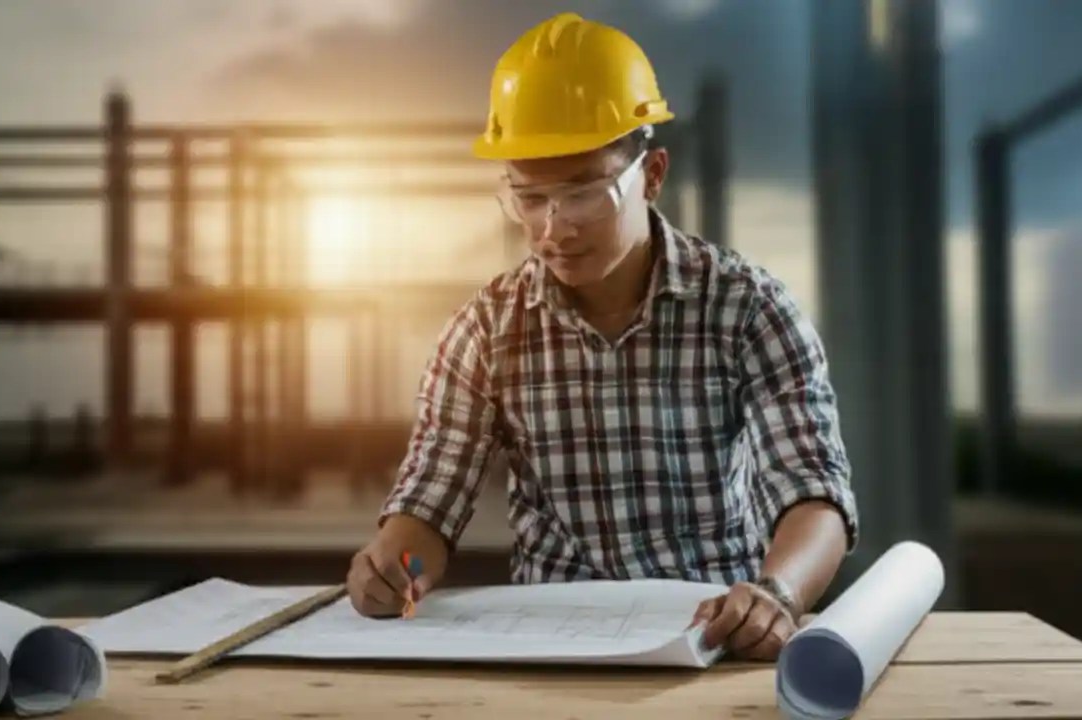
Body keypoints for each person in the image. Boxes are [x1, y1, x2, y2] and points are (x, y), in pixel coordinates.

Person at [345, 12, 858, 662]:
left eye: (584, 195)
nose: (553, 229)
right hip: (545, 650)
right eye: (529, 199)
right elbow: (430, 499)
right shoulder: (485, 333)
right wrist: (397, 569)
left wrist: (776, 593)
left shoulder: (748, 309)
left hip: (712, 636)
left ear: (651, 174)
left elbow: (814, 488)